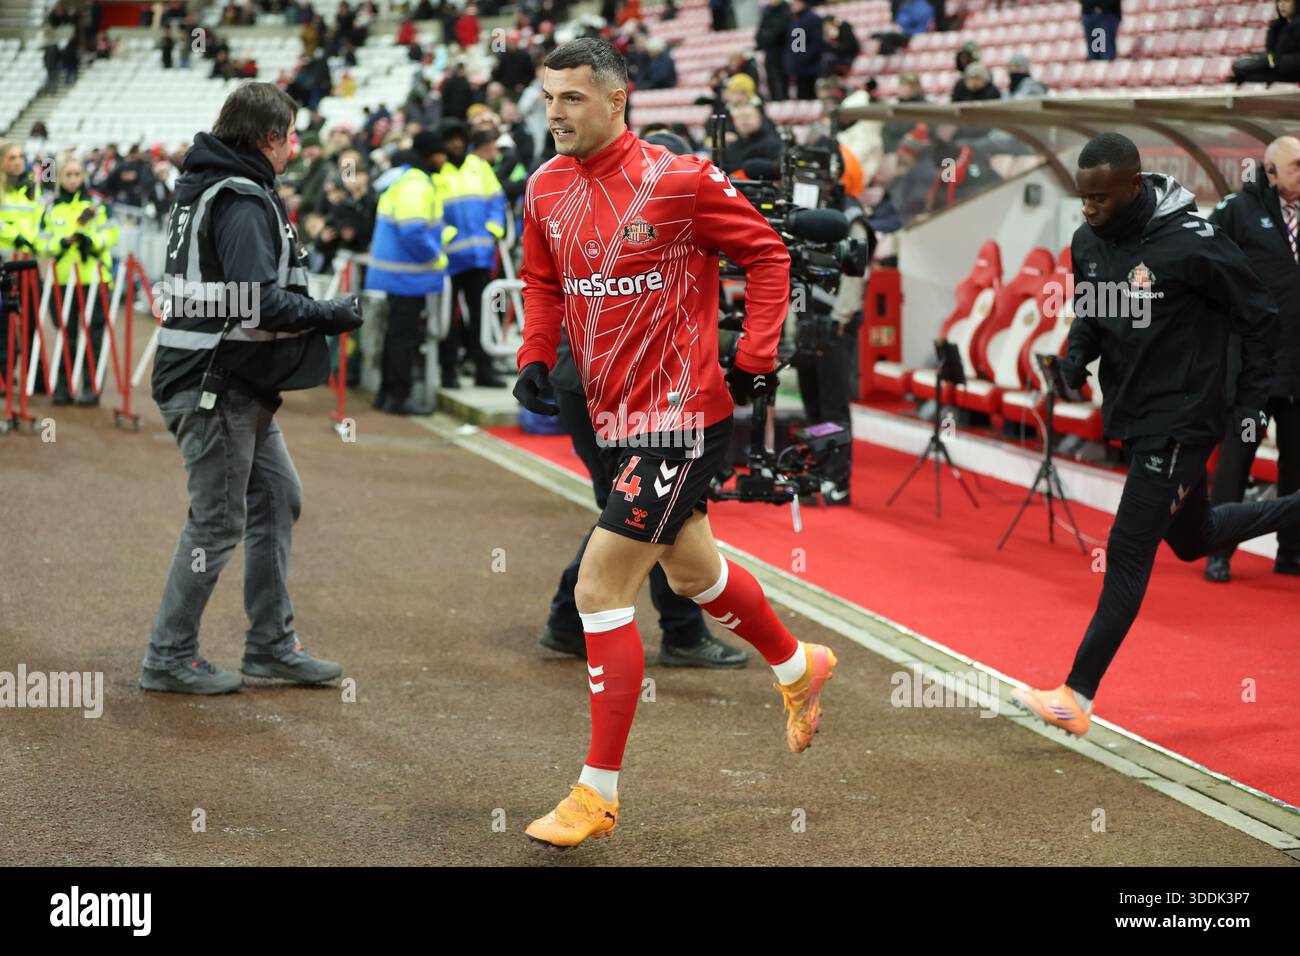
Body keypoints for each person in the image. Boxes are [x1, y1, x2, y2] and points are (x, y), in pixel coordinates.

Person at [512, 37, 838, 849]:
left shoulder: (679, 179)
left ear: (617, 100)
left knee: (599, 586)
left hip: (684, 415)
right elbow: (543, 281)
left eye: (572, 99)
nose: (554, 113)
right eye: (548, 97)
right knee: (694, 574)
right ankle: (800, 666)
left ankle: (598, 792)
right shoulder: (544, 187)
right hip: (613, 417)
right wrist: (534, 356)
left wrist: (758, 352)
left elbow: (767, 253)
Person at [1012, 133, 1300, 736]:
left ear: (1134, 187)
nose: (1088, 209)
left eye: (1100, 198)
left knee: (1127, 549)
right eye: (1083, 197)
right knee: (1193, 540)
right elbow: (1090, 311)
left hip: (1185, 419)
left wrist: (1250, 404)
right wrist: (1073, 360)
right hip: (1133, 412)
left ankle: (1077, 695)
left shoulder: (1194, 244)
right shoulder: (1087, 241)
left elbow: (1261, 317)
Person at [143, 82, 363, 694]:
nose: (295, 148)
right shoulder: (240, 197)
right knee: (215, 523)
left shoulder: (211, 185)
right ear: (268, 138)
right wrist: (328, 312)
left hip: (221, 378)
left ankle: (269, 645)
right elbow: (255, 300)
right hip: (215, 382)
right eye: (290, 136)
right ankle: (168, 656)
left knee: (276, 498)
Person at [1204, 136, 1300, 582]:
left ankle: (1291, 552)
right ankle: (1219, 549)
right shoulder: (1239, 211)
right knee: (1237, 459)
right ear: (1272, 172)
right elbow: (1203, 260)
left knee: (1296, 465)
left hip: (1298, 368)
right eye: (1296, 166)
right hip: (1254, 369)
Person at [365, 129, 452, 413]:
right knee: (403, 338)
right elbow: (413, 231)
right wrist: (437, 257)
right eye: (441, 152)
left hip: (400, 276)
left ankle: (387, 395)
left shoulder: (407, 181)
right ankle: (398, 399)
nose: (445, 157)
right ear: (430, 154)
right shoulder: (416, 185)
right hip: (407, 277)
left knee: (395, 336)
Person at [35, 157, 118, 406]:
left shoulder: (97, 205)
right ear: (60, 178)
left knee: (94, 336)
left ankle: (91, 388)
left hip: (95, 279)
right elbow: (41, 242)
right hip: (62, 281)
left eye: (77, 174)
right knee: (66, 336)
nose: (73, 179)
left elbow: (111, 234)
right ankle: (63, 386)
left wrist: (91, 242)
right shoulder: (51, 208)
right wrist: (59, 244)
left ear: (83, 177)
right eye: (68, 174)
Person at [441, 125, 508, 387]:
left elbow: (496, 201)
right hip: (449, 258)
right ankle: (449, 371)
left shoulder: (479, 167)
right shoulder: (438, 173)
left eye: (459, 139)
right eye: (451, 140)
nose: (456, 144)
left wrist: (494, 230)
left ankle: (484, 369)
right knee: (448, 318)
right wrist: (446, 235)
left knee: (483, 315)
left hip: (479, 256)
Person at [1232, 0, 1300, 84]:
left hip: (1291, 73)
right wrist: (1270, 61)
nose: (1282, 5)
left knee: (1246, 74)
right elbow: (1270, 52)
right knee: (1241, 69)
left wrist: (1276, 61)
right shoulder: (1277, 26)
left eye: (1286, 1)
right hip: (1275, 67)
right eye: (1279, 1)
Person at [785, 0, 825, 101]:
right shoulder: (795, 20)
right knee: (802, 98)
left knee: (811, 97)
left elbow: (817, 43)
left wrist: (804, 57)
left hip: (810, 68)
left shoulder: (812, 18)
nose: (793, 5)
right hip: (799, 69)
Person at [756, 0, 792, 102]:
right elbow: (760, 30)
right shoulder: (767, 10)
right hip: (770, 49)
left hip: (783, 49)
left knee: (782, 76)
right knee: (771, 76)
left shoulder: (786, 9)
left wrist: (766, 37)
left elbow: (781, 29)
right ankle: (774, 99)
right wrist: (761, 40)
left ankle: (784, 99)